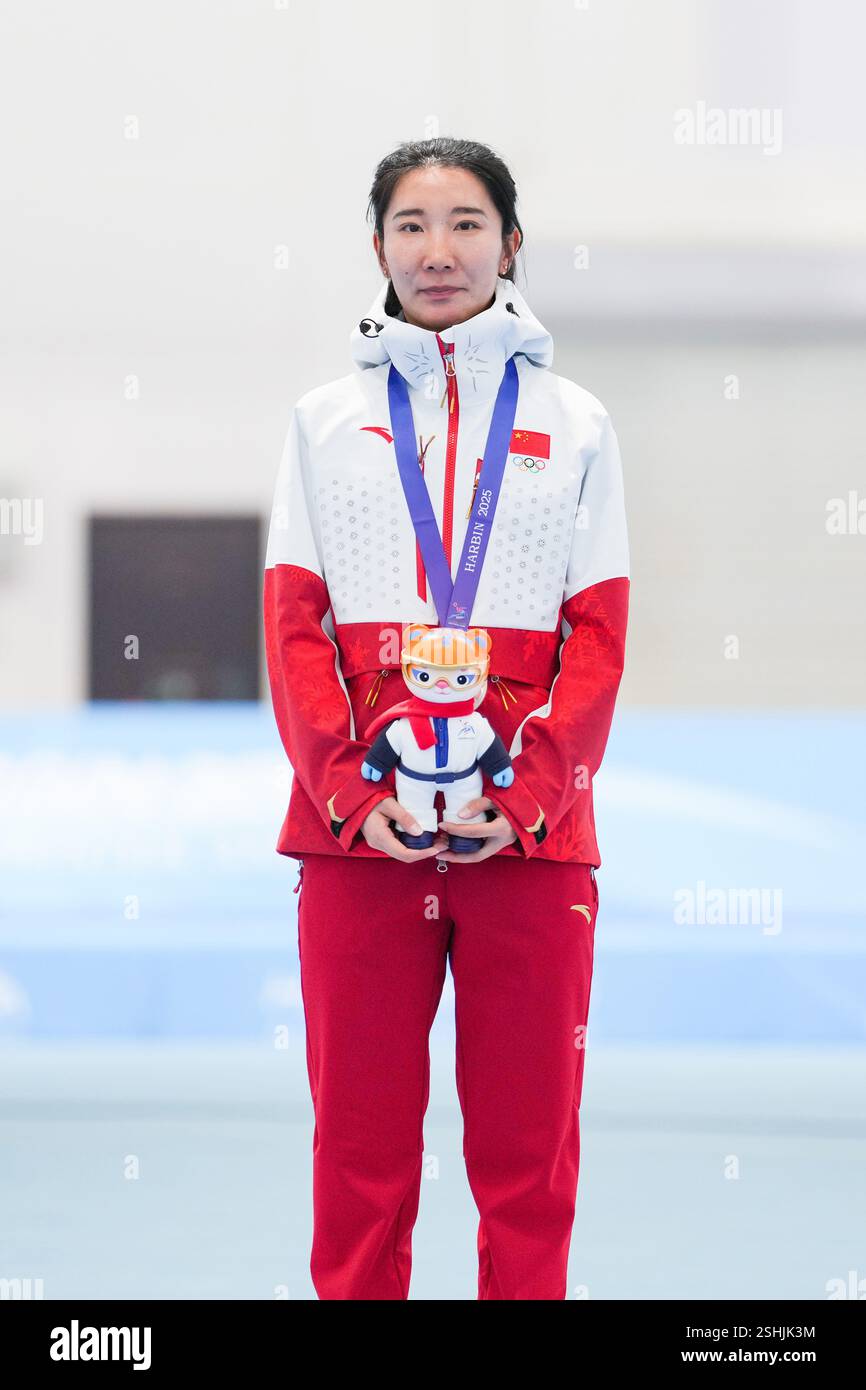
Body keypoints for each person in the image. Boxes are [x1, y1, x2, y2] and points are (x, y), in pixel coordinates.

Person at [263, 137, 630, 1300]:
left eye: (465, 223)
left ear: (509, 244)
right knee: (360, 1157)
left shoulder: (576, 423)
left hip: (528, 842)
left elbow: (599, 641)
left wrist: (525, 798)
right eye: (411, 226)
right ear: (376, 247)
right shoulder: (322, 421)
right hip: (353, 842)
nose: (438, 250)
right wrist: (349, 792)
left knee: (527, 1159)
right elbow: (294, 629)